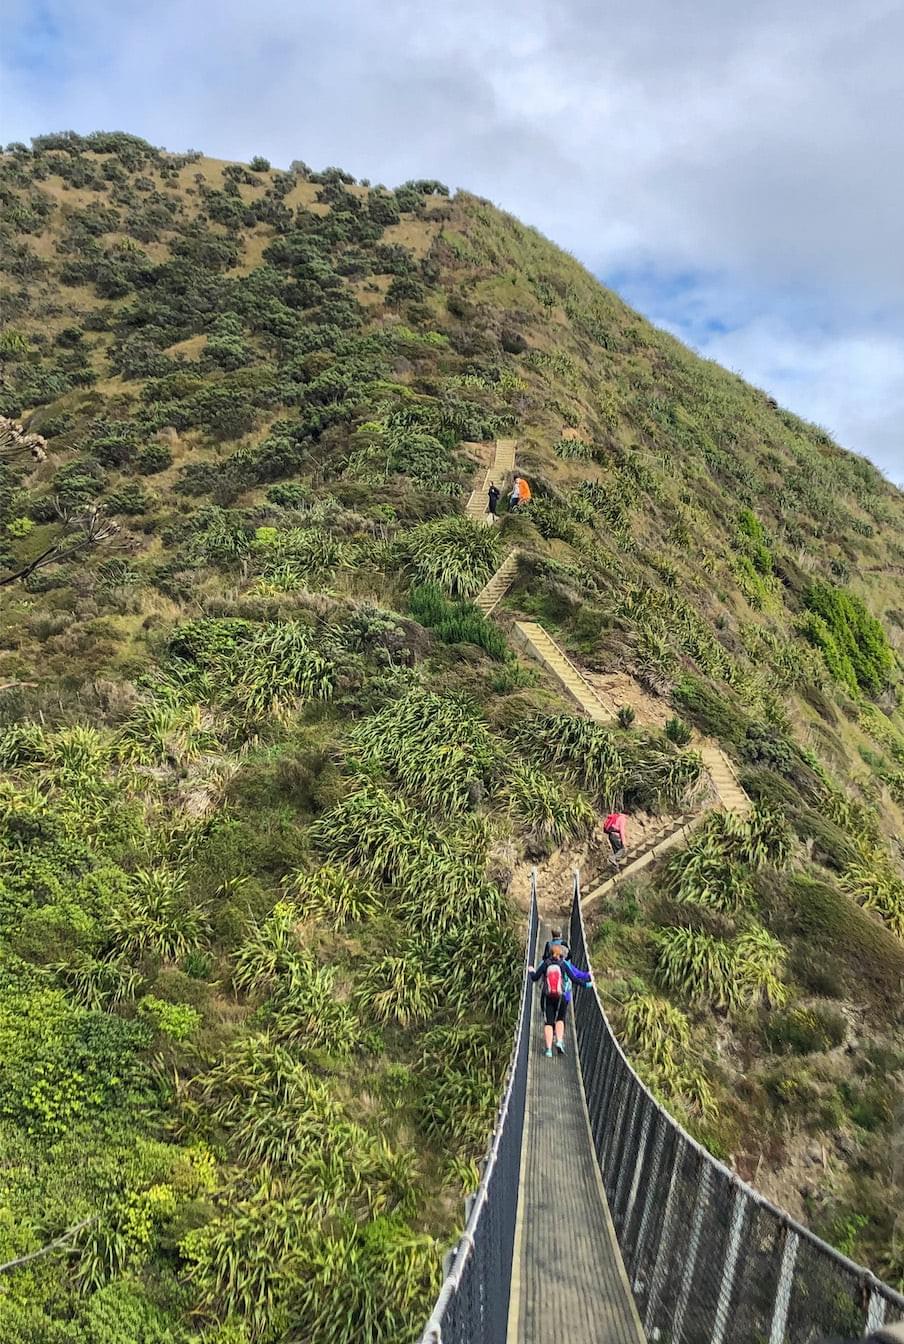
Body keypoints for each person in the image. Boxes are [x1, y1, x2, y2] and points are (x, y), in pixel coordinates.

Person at [528, 942, 591, 1057]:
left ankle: (548, 1050)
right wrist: (587, 985)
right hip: (561, 996)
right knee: (560, 1019)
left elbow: (535, 978)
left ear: (550, 953)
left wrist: (531, 970)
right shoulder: (564, 964)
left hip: (548, 996)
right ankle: (560, 1042)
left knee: (548, 1023)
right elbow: (574, 979)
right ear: (561, 954)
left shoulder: (545, 964)